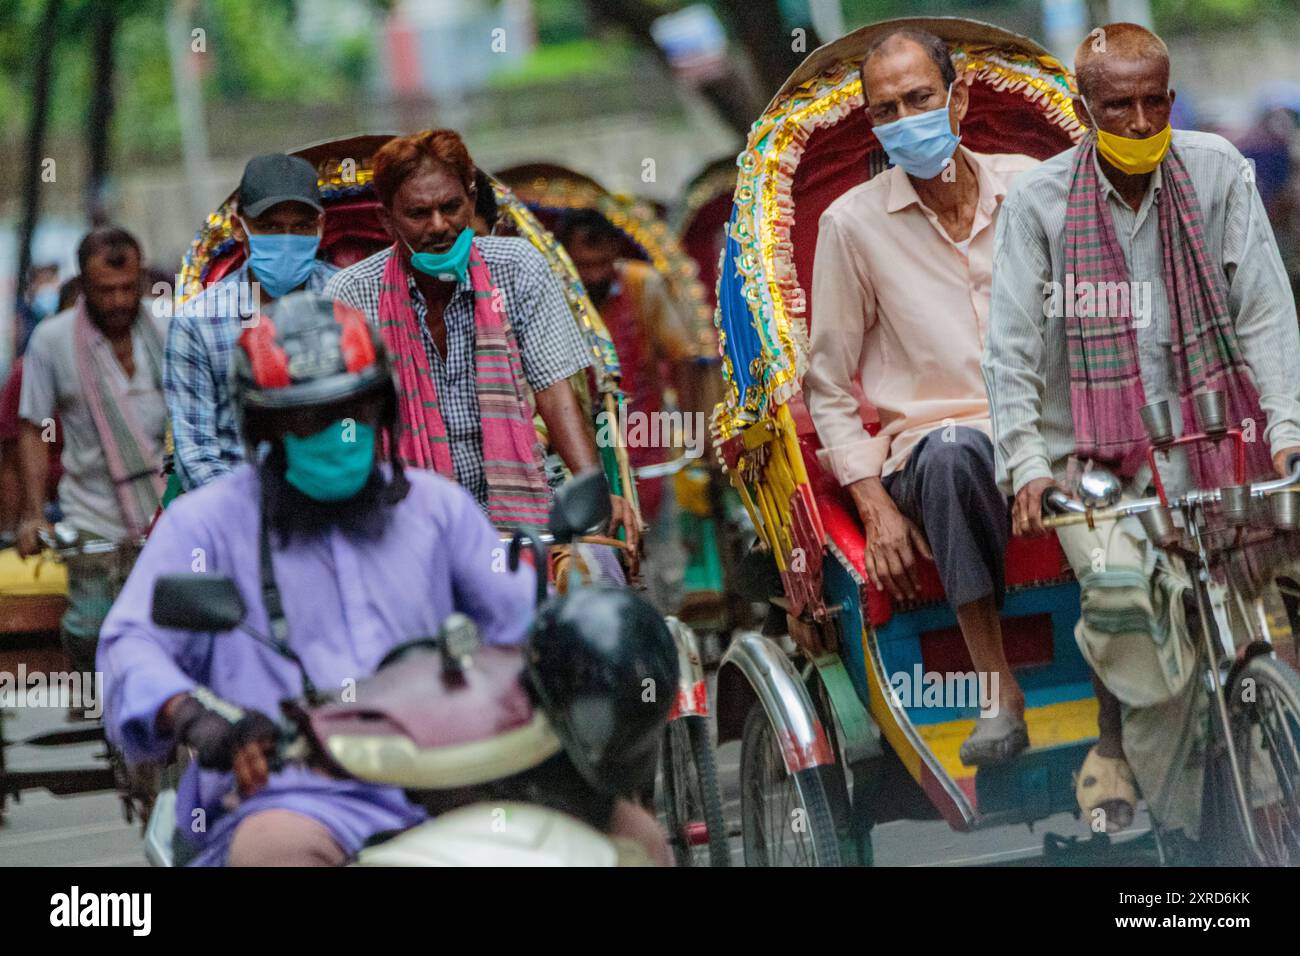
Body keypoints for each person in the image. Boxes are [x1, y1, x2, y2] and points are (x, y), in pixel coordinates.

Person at [983, 23, 1300, 838]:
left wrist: (1289, 431)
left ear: (1170, 98)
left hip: (1218, 437)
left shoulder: (1217, 170)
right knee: (1135, 613)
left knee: (1268, 596)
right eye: (1115, 105)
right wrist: (1026, 466)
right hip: (1093, 461)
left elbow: (1264, 313)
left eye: (1153, 101)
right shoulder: (1038, 203)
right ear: (1084, 111)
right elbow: (1012, 349)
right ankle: (1176, 819)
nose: (1136, 120)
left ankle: (1273, 750)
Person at [98, 292, 538, 866]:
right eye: (308, 419)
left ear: (383, 408)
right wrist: (198, 722)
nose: (338, 435)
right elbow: (131, 646)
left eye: (353, 412)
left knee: (621, 831)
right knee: (276, 852)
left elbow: (519, 621)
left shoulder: (439, 510)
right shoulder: (204, 525)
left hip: (454, 780)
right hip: (293, 796)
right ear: (264, 426)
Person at [801, 27, 1037, 765]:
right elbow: (829, 387)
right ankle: (998, 689)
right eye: (885, 110)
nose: (905, 120)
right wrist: (872, 505)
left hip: (1040, 437)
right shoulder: (851, 225)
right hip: (933, 454)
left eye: (920, 99)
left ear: (958, 98)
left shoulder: (1032, 187)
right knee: (953, 452)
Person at [323, 130, 638, 552]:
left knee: (597, 586)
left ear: (471, 200)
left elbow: (554, 392)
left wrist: (592, 492)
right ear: (387, 220)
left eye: (451, 207)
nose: (440, 226)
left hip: (527, 507)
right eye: (418, 214)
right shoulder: (352, 294)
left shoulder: (518, 267)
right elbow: (351, 424)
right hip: (408, 516)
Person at [17, 227, 167, 676]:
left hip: (167, 507)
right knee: (90, 627)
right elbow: (32, 428)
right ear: (83, 285)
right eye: (106, 291)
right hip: (91, 513)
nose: (120, 301)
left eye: (129, 289)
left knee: (176, 625)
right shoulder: (51, 340)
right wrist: (33, 514)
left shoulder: (169, 326)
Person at [165, 153, 338, 492]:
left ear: (321, 227)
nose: (287, 238)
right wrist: (249, 520)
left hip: (338, 502)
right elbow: (196, 452)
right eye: (270, 226)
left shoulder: (348, 301)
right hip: (241, 511)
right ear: (238, 228)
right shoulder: (198, 322)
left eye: (301, 226)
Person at [554, 208, 713, 522]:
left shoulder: (643, 284)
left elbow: (682, 358)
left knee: (656, 536)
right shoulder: (556, 291)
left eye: (602, 264)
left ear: (615, 251)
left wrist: (697, 433)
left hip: (647, 437)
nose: (595, 275)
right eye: (584, 266)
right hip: (584, 442)